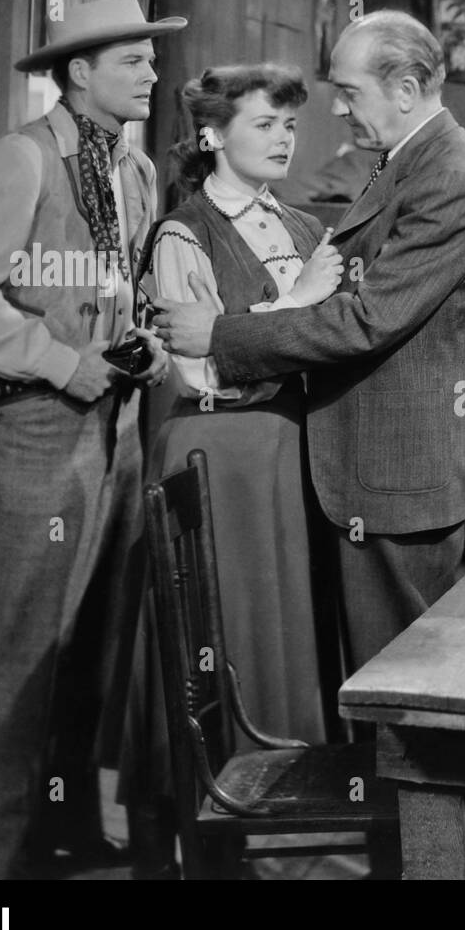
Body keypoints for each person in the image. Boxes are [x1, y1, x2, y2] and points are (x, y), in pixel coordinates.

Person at [150, 10, 465, 677]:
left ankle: (404, 788)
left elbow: (365, 321)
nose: (338, 110)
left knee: (398, 682)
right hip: (377, 464)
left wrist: (221, 334)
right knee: (382, 676)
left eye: (349, 92)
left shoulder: (449, 179)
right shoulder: (402, 163)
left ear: (404, 89)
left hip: (399, 469)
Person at [0, 0, 184, 878]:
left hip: (114, 428)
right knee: (7, 658)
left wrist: (141, 347)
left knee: (86, 647)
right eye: (133, 60)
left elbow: (124, 285)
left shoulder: (134, 169)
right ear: (80, 72)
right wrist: (54, 360)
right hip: (37, 426)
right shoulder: (22, 161)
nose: (152, 72)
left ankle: (54, 838)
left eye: (152, 57)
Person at [117, 63, 346, 877]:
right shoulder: (185, 232)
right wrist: (298, 305)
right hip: (221, 450)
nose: (284, 138)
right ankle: (221, 816)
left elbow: (329, 340)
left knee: (290, 623)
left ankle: (288, 803)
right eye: (264, 124)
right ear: (214, 134)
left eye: (290, 124)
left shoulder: (307, 227)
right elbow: (205, 370)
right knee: (226, 632)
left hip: (290, 448)